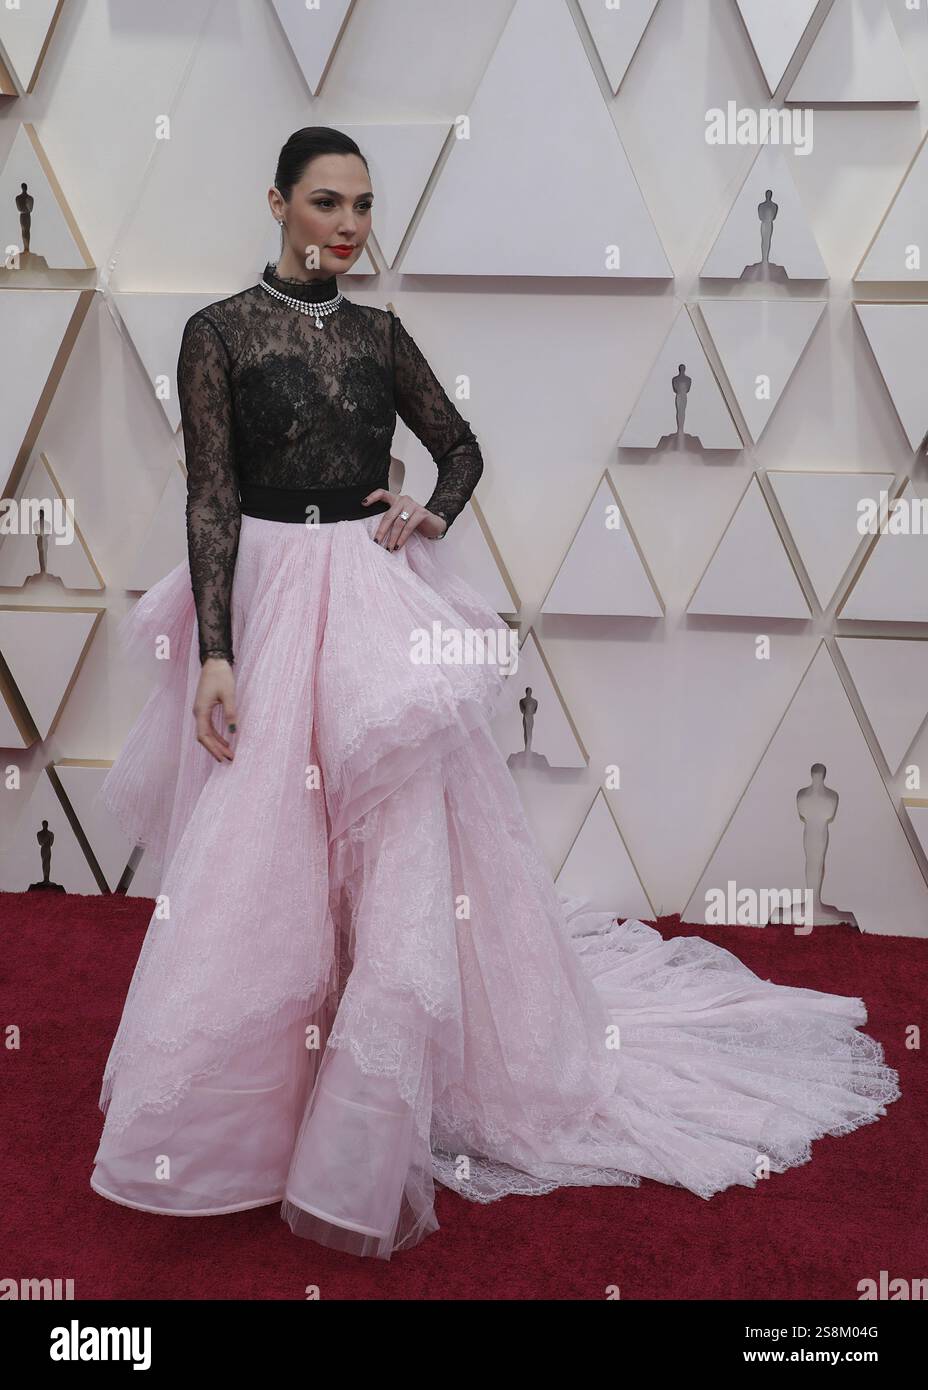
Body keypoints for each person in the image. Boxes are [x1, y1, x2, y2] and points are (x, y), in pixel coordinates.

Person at [90, 127, 901, 1261]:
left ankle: (357, 1138)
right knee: (258, 856)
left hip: (373, 607)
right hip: (268, 599)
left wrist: (426, 511)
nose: (347, 226)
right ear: (275, 201)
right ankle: (248, 1130)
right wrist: (216, 649)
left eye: (363, 206)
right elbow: (212, 499)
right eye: (326, 203)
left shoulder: (379, 335)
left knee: (400, 855)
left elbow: (460, 446)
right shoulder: (217, 333)